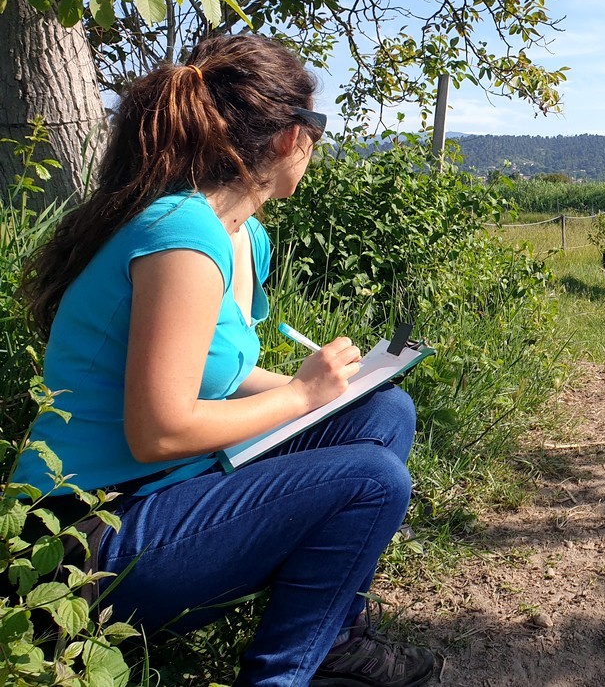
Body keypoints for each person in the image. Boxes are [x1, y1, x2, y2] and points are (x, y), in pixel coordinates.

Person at [13, 34, 444, 686]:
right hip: (83, 541)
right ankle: (281, 676)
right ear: (286, 137)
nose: (317, 145)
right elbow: (158, 429)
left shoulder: (242, 235)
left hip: (164, 493)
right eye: (316, 127)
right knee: (373, 478)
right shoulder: (181, 233)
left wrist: (334, 391)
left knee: (384, 410)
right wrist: (300, 397)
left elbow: (223, 373)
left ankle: (334, 639)